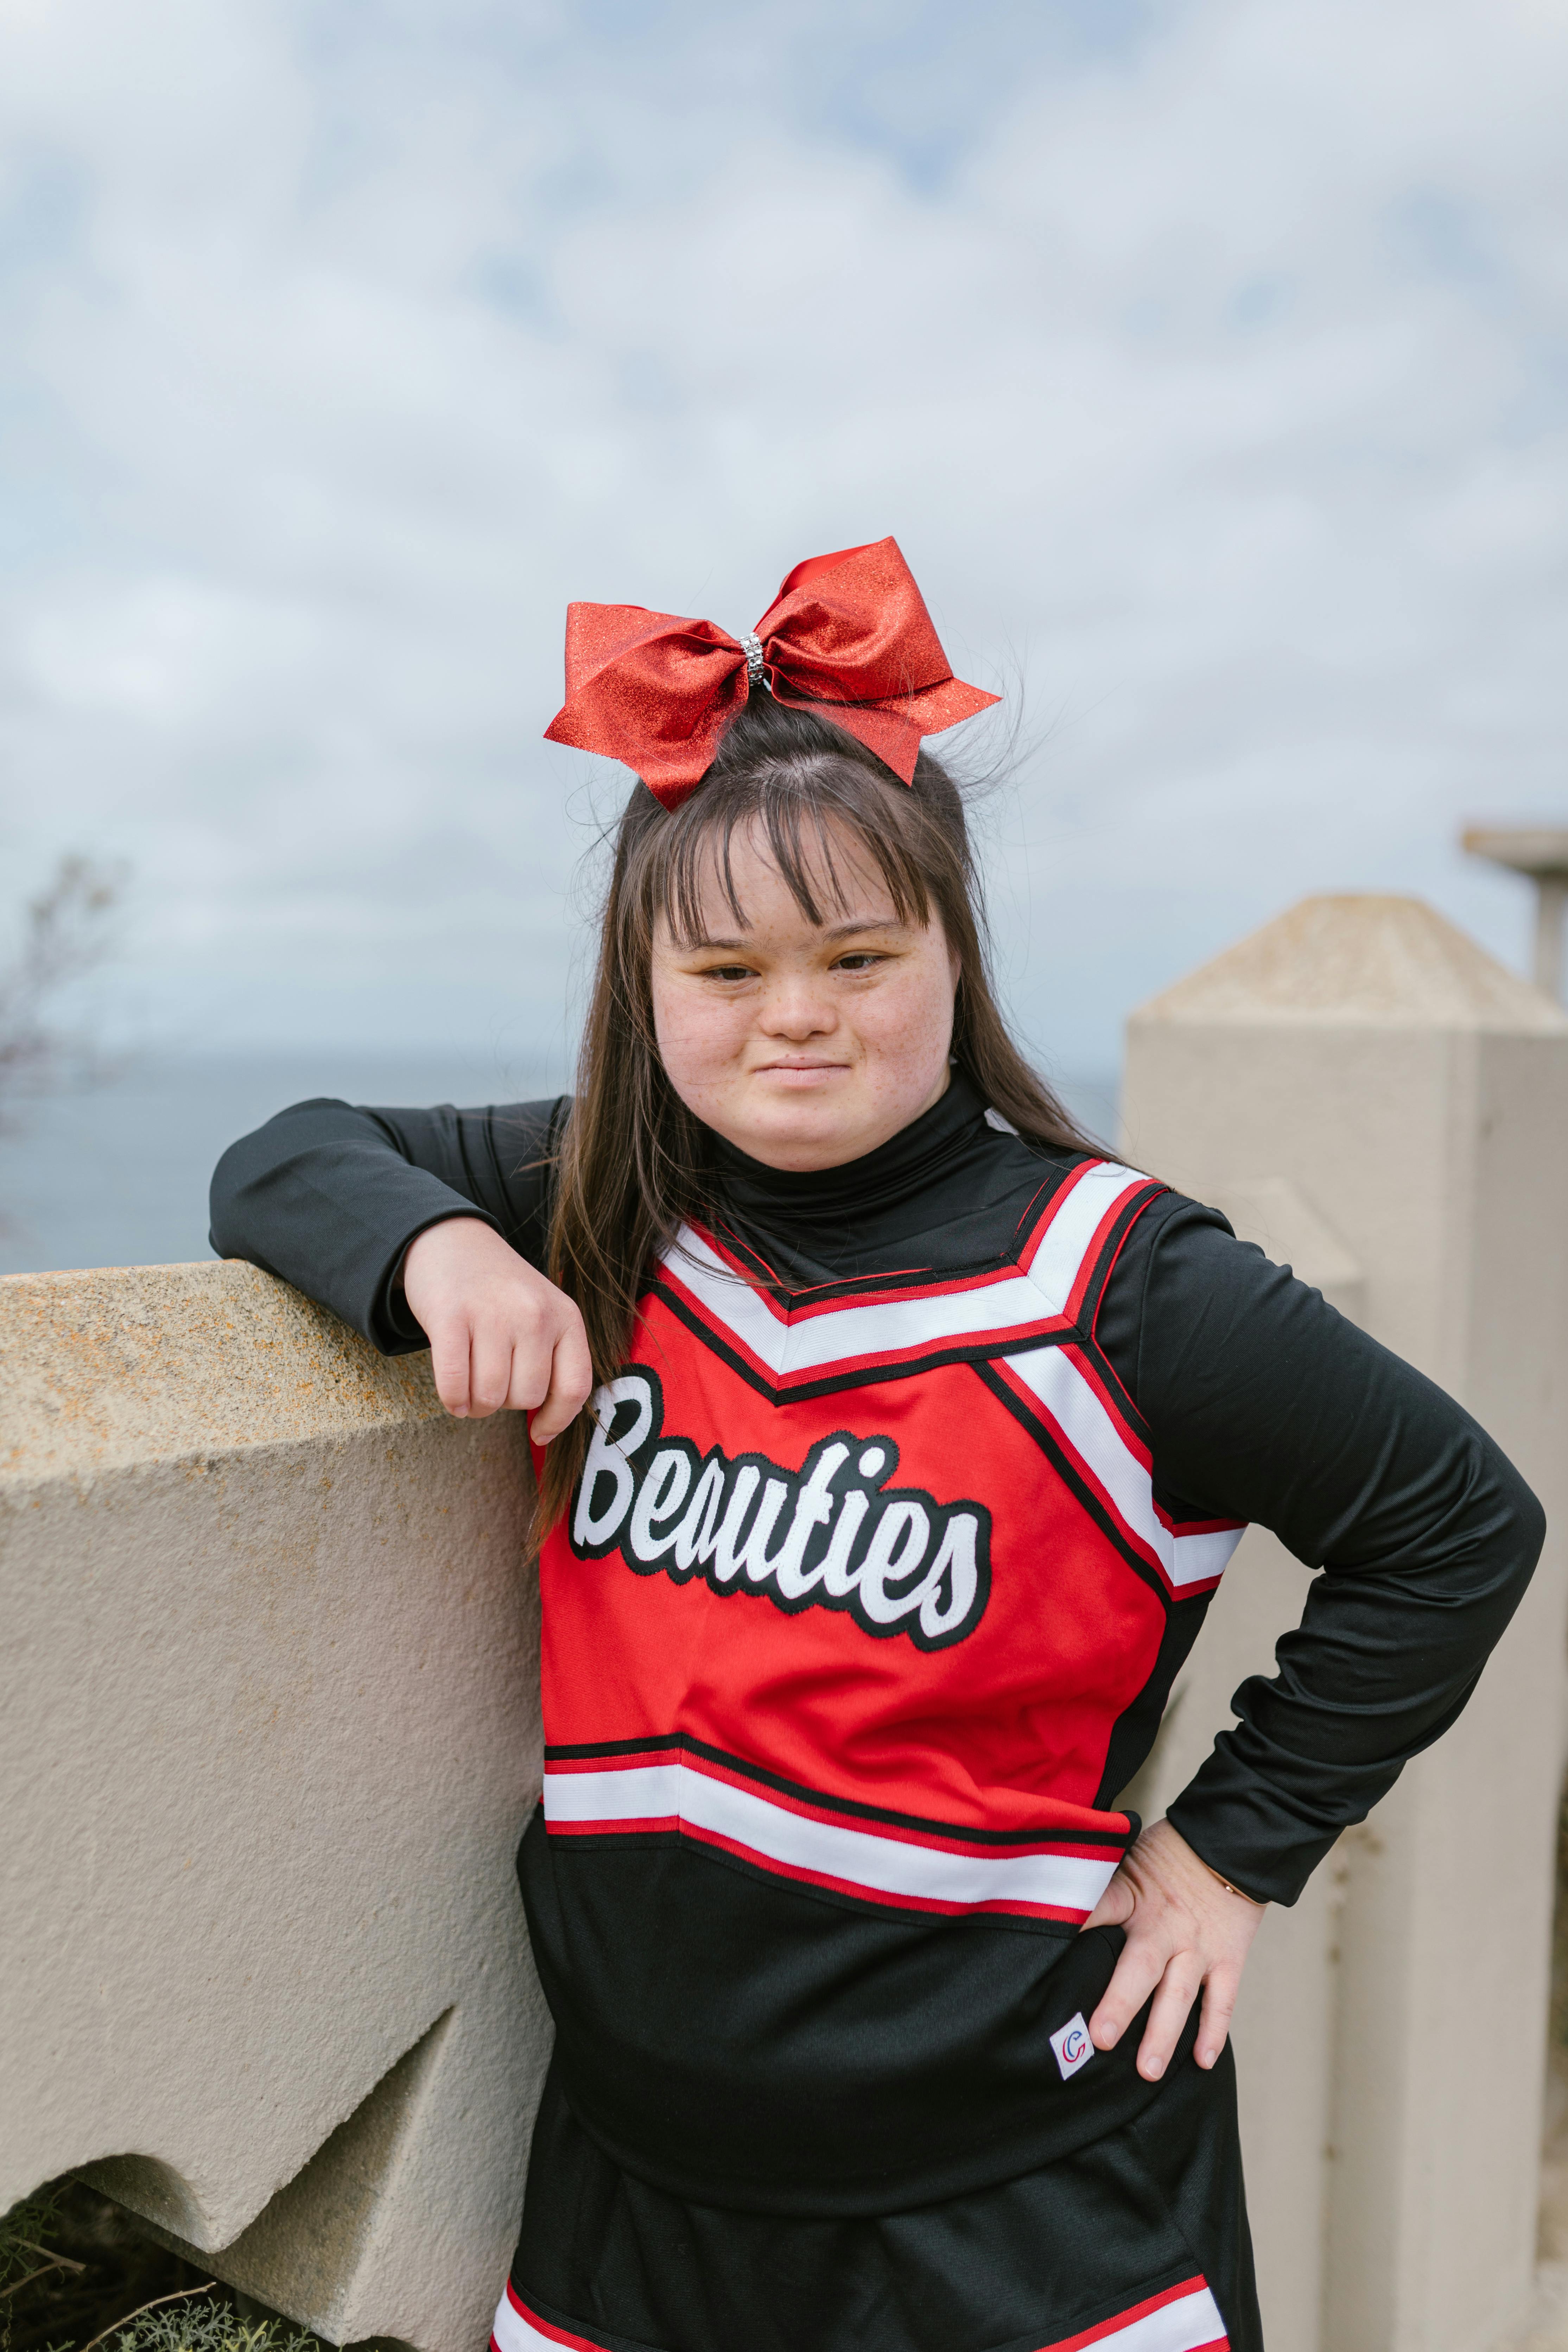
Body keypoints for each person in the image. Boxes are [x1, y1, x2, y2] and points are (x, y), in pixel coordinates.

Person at [210, 539, 1544, 2352]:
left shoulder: (1123, 1284)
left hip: (1032, 2213)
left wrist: (1238, 1844)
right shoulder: (606, 1196)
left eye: (858, 952)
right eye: (728, 964)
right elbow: (284, 1156)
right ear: (644, 978)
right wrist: (435, 1247)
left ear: (952, 955)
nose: (797, 1014)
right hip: (635, 2201)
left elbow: (1458, 1525)